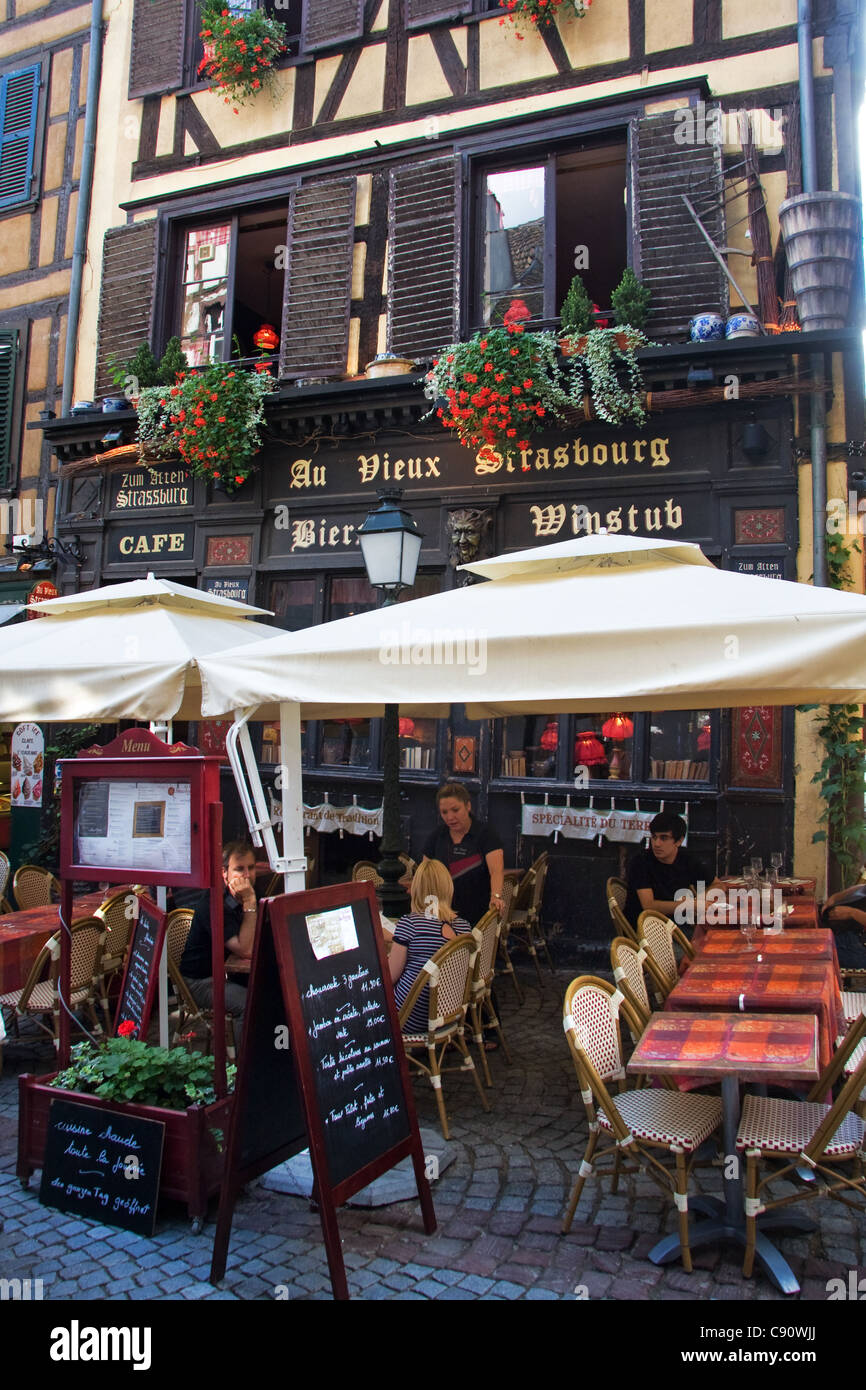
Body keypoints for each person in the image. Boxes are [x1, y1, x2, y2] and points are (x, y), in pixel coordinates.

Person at [180, 839, 258, 1050]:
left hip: (226, 971)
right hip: (200, 982)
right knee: (247, 1004)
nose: (247, 875)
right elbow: (246, 949)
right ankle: (243, 1067)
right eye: (239, 869)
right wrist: (251, 903)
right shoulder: (213, 903)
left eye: (251, 868)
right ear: (224, 873)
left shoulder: (239, 897)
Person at [389, 859, 472, 1031]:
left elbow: (390, 976)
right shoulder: (464, 928)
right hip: (449, 1013)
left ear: (416, 889)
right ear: (448, 887)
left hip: (409, 1017)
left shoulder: (410, 924)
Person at [421, 782, 505, 928]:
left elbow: (496, 871)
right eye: (444, 812)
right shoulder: (436, 836)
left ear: (468, 806)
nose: (450, 817)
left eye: (455, 810)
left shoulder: (486, 835)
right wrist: (428, 914)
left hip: (476, 919)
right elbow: (425, 876)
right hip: (441, 918)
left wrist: (496, 897)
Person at [623, 811, 717, 933]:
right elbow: (649, 905)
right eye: (654, 837)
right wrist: (690, 905)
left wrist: (700, 900)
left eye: (664, 838)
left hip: (678, 926)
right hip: (646, 932)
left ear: (679, 841)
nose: (656, 844)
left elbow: (717, 884)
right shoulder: (640, 861)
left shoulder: (687, 860)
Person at [822, 881, 866, 969]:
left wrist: (852, 912)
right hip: (853, 936)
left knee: (818, 953)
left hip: (861, 952)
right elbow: (862, 888)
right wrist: (835, 898)